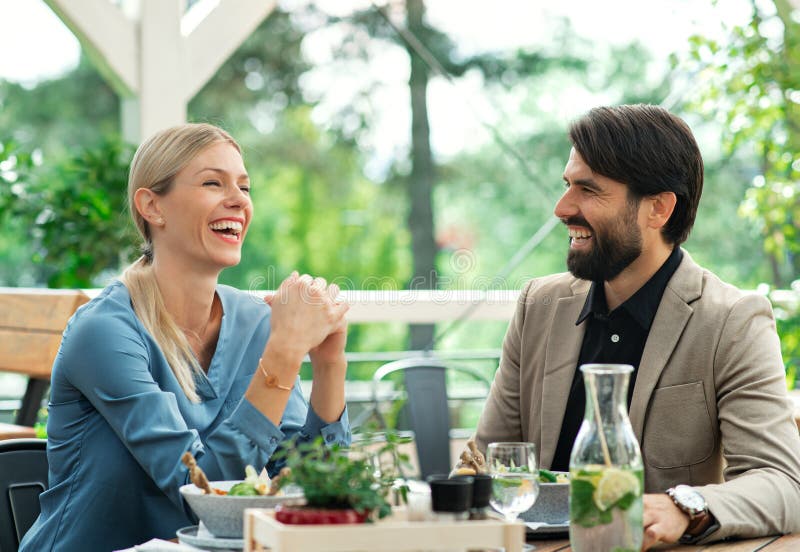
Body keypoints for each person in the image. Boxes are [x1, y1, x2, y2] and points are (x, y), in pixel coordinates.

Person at [471, 105, 800, 548]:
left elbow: (783, 482)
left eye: (588, 189)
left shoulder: (732, 320)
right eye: (567, 185)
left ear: (659, 209)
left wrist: (685, 506)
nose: (562, 208)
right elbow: (487, 465)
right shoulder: (539, 305)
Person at [19, 123, 351, 552]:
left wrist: (329, 363)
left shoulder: (254, 323)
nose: (238, 200)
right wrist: (286, 353)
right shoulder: (104, 331)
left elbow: (316, 488)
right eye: (213, 182)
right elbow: (203, 490)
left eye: (245, 187)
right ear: (152, 206)